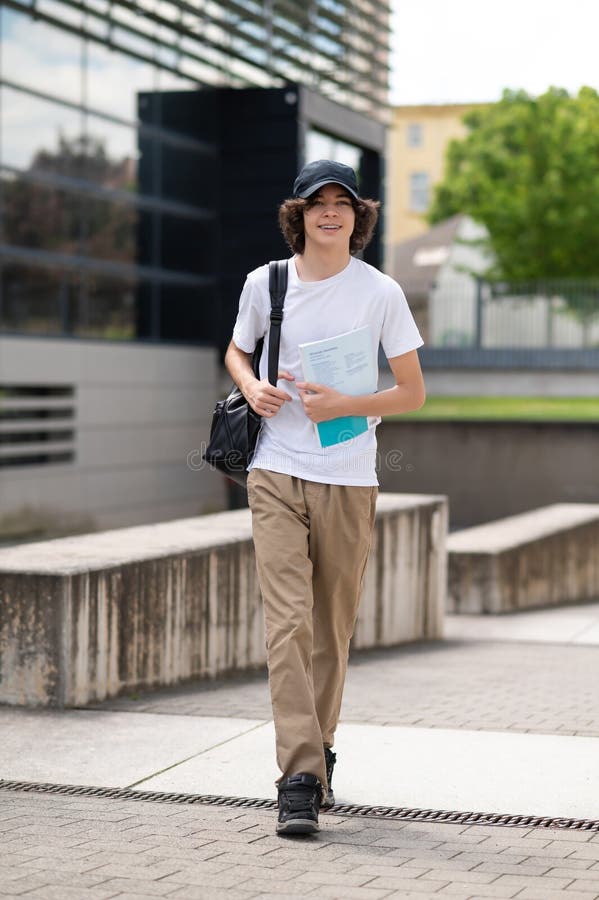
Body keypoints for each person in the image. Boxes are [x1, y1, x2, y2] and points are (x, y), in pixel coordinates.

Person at [224, 159, 425, 835]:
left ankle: (321, 746)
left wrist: (347, 403)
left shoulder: (379, 293)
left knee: (330, 632)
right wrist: (250, 387)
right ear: (299, 215)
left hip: (348, 476)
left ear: (358, 217)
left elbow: (411, 391)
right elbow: (235, 350)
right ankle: (299, 777)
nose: (330, 213)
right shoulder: (266, 282)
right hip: (274, 468)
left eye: (342, 203)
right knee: (287, 624)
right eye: (317, 204)